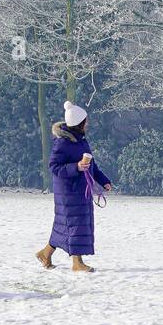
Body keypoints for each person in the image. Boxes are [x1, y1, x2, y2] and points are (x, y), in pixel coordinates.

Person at [35, 101, 113, 273]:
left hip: (80, 191)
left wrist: (104, 181)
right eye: (86, 120)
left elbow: (93, 165)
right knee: (75, 225)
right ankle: (77, 263)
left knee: (65, 226)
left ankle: (45, 253)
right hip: (68, 192)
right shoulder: (62, 143)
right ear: (79, 123)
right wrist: (76, 167)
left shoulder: (81, 141)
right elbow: (54, 167)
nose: (88, 123)